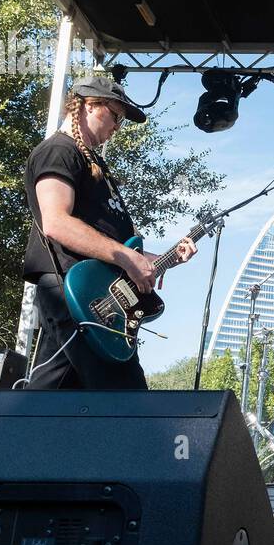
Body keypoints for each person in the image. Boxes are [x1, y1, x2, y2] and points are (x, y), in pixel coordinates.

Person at [22, 74, 197, 389]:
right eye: (114, 115)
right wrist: (129, 257)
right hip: (74, 288)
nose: (118, 126)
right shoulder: (60, 151)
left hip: (97, 294)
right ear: (89, 105)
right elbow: (56, 222)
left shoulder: (95, 164)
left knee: (51, 398)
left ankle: (9, 436)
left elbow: (113, 244)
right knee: (126, 401)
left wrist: (161, 258)